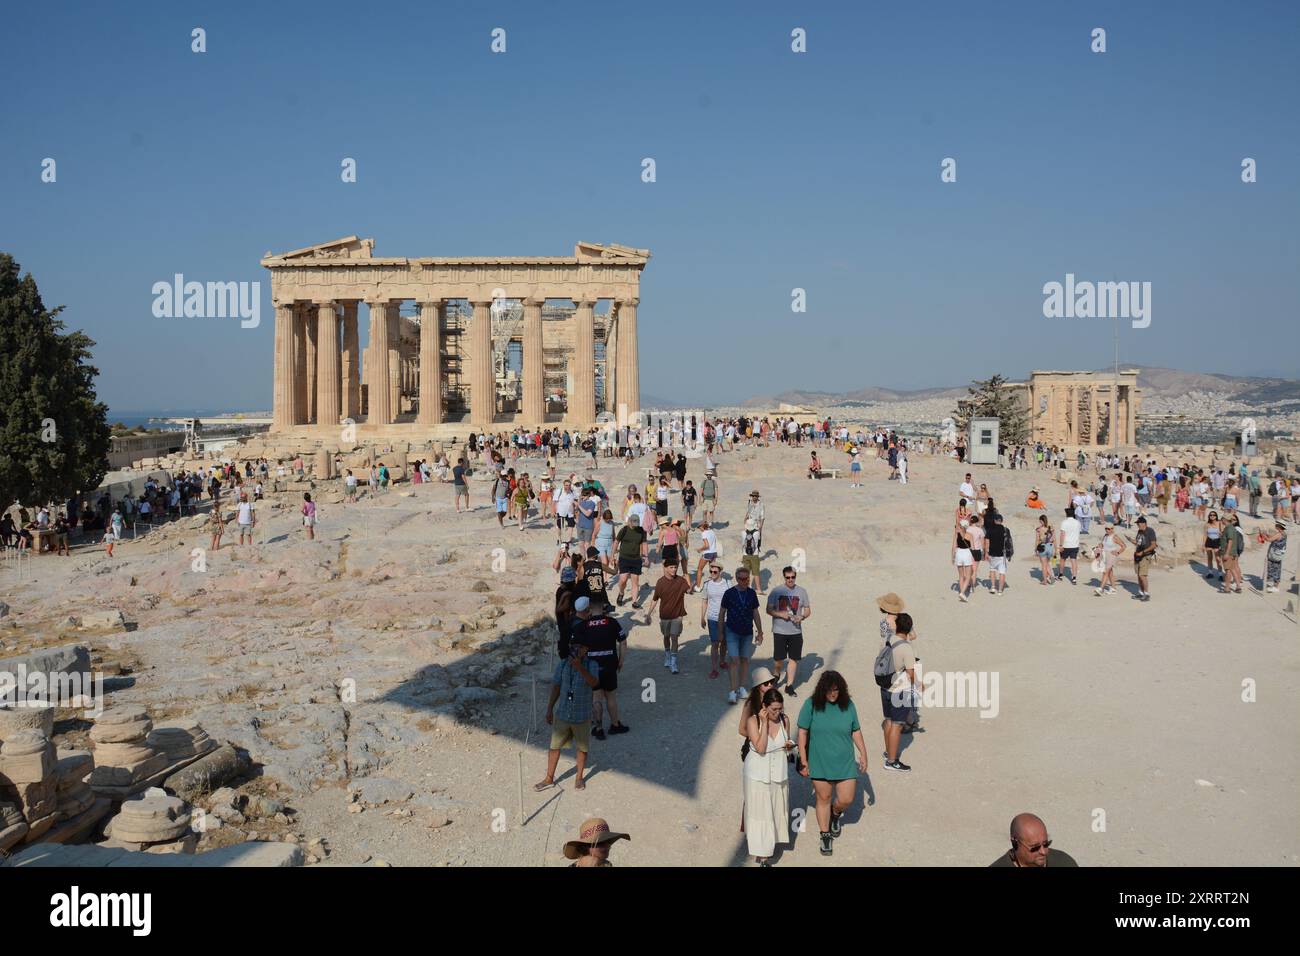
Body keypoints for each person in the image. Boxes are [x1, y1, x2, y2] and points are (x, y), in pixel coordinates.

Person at [796, 671, 868, 857]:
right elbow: (802, 732)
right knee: (823, 798)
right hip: (819, 761)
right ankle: (825, 834)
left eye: (836, 690)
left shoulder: (848, 705)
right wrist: (803, 760)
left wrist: (864, 753)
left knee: (846, 799)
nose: (833, 694)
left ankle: (835, 815)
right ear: (823, 689)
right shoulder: (811, 705)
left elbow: (856, 731)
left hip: (844, 761)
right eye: (830, 690)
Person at [535, 636, 600, 792]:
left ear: (586, 649)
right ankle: (549, 778)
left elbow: (594, 683)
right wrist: (549, 708)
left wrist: (580, 668)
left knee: (582, 748)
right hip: (563, 713)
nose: (576, 649)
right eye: (574, 645)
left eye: (580, 646)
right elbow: (556, 687)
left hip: (582, 715)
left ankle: (579, 778)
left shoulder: (592, 665)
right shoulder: (563, 664)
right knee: (554, 747)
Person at [743, 688, 795, 866]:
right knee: (760, 813)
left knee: (775, 810)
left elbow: (787, 746)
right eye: (773, 709)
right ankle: (763, 855)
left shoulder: (785, 720)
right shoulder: (753, 721)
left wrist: (790, 747)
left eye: (780, 708)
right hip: (757, 774)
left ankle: (769, 844)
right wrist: (764, 723)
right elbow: (761, 748)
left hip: (778, 773)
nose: (777, 713)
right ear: (764, 707)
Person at [572, 598, 630, 739]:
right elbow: (623, 642)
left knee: (596, 697)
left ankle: (598, 729)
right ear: (603, 608)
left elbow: (575, 649)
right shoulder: (612, 622)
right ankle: (615, 725)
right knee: (611, 696)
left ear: (590, 609)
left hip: (592, 666)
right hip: (610, 664)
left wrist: (579, 666)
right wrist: (621, 661)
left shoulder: (583, 626)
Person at [717, 567, 763, 704]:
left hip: (747, 632)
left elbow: (755, 612)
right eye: (742, 579)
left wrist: (760, 631)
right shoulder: (729, 593)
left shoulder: (752, 593)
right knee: (734, 660)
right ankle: (732, 691)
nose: (745, 581)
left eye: (747, 578)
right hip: (732, 631)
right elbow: (721, 613)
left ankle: (741, 687)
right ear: (737, 579)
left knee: (745, 660)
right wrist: (720, 632)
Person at [879, 612, 917, 772]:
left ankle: (889, 751)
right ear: (908, 629)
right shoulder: (906, 648)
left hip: (885, 687)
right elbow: (910, 673)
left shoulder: (887, 640)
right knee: (897, 725)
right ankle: (892, 761)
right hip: (899, 691)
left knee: (888, 720)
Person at [767, 566, 810, 695]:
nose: (790, 580)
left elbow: (808, 610)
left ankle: (789, 685)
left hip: (796, 631)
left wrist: (801, 616)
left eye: (793, 577)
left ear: (795, 576)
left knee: (793, 658)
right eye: (788, 577)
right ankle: (776, 675)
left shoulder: (802, 591)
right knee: (779, 659)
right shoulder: (776, 591)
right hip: (780, 630)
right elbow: (768, 609)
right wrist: (781, 614)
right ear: (784, 577)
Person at [646, 560, 691, 674]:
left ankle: (673, 662)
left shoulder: (681, 580)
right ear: (665, 568)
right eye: (671, 567)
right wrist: (649, 614)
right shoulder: (660, 582)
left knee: (674, 637)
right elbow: (655, 599)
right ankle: (667, 655)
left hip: (677, 615)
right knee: (666, 637)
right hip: (665, 615)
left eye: (675, 567)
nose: (674, 569)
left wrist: (692, 586)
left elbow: (688, 590)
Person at [989, 813, 1079, 867]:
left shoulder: (1064, 862)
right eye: (1035, 848)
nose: (1043, 852)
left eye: (1046, 844)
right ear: (1015, 843)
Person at [700, 562, 731, 679]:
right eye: (711, 571)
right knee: (714, 643)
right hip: (712, 618)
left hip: (727, 618)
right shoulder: (707, 584)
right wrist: (702, 617)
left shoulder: (728, 584)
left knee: (725, 642)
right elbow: (704, 601)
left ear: (720, 572)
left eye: (715, 572)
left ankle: (722, 661)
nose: (712, 573)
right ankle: (714, 668)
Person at [562, 818, 630, 867]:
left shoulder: (607, 864)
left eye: (608, 841)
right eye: (600, 843)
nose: (607, 846)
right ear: (585, 846)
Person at [614, 516, 647, 608]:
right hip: (624, 558)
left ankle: (634, 601)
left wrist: (646, 556)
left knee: (635, 581)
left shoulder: (641, 531)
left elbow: (644, 543)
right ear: (630, 522)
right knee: (623, 579)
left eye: (637, 523)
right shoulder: (624, 530)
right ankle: (621, 593)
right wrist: (613, 555)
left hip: (636, 559)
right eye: (634, 523)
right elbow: (616, 542)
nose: (635, 526)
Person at [1094, 523, 1125, 595]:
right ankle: (1114, 588)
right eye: (1106, 528)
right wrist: (1099, 546)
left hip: (1112, 556)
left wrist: (1118, 553)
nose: (1107, 530)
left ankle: (1101, 589)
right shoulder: (1105, 536)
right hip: (1105, 555)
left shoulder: (1115, 537)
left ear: (1112, 529)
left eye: (1109, 529)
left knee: (1105, 572)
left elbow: (1123, 546)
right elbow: (1102, 545)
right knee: (1110, 572)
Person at [985, 511, 1011, 596]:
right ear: (1001, 521)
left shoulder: (990, 530)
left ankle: (993, 587)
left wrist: (986, 552)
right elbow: (1009, 542)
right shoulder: (1005, 530)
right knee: (1002, 572)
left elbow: (987, 542)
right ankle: (1000, 590)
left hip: (992, 553)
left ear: (995, 521)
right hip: (1002, 554)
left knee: (992, 570)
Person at [1132, 516, 1157, 601]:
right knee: (1139, 575)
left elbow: (1153, 545)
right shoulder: (1140, 531)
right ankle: (1141, 593)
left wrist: (1143, 552)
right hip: (1137, 555)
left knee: (1142, 575)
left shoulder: (1150, 531)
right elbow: (1138, 542)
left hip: (1145, 555)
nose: (1138, 525)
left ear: (1144, 523)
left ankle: (1146, 594)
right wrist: (1131, 540)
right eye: (1137, 524)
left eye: (1139, 523)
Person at [952, 519, 975, 602]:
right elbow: (972, 547)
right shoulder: (970, 535)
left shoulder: (956, 534)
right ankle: (962, 593)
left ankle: (962, 593)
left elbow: (954, 546)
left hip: (959, 553)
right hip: (967, 553)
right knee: (968, 576)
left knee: (961, 576)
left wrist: (952, 557)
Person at [1057, 507, 1081, 584]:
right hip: (1075, 544)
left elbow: (1062, 534)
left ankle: (1060, 575)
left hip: (1066, 544)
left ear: (1066, 514)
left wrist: (1060, 545)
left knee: (1062, 559)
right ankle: (1074, 577)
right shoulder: (1077, 522)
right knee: (1073, 560)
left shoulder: (1064, 522)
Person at [1261, 521, 1287, 593]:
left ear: (1278, 526)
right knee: (1277, 569)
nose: (1275, 525)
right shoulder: (1284, 533)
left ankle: (1275, 587)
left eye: (1276, 525)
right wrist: (1267, 534)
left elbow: (1269, 540)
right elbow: (1273, 538)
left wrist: (1263, 535)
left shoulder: (1279, 534)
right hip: (1279, 555)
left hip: (1274, 555)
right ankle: (1275, 586)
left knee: (1274, 569)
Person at [1034, 514, 1055, 585]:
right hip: (1050, 546)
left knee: (1043, 565)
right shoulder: (1050, 528)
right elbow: (1053, 539)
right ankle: (1051, 576)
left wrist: (1035, 549)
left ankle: (1045, 580)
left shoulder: (1038, 529)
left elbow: (1037, 540)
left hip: (1042, 547)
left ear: (1041, 521)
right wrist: (1056, 548)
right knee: (1048, 563)